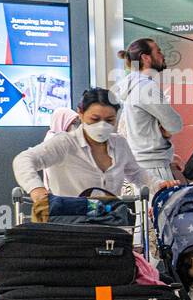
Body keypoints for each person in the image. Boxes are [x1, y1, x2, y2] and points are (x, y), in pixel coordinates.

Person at [13, 87, 172, 221]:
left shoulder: (120, 144)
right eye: (94, 119)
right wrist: (37, 191)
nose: (102, 126)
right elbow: (23, 160)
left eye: (109, 120)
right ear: (80, 114)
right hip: (70, 224)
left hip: (109, 224)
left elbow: (136, 173)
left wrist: (157, 185)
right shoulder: (65, 143)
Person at [112, 38, 182, 184]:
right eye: (158, 51)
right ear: (145, 57)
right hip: (154, 167)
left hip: (137, 165)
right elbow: (175, 124)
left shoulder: (128, 87)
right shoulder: (146, 87)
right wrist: (164, 130)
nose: (163, 55)